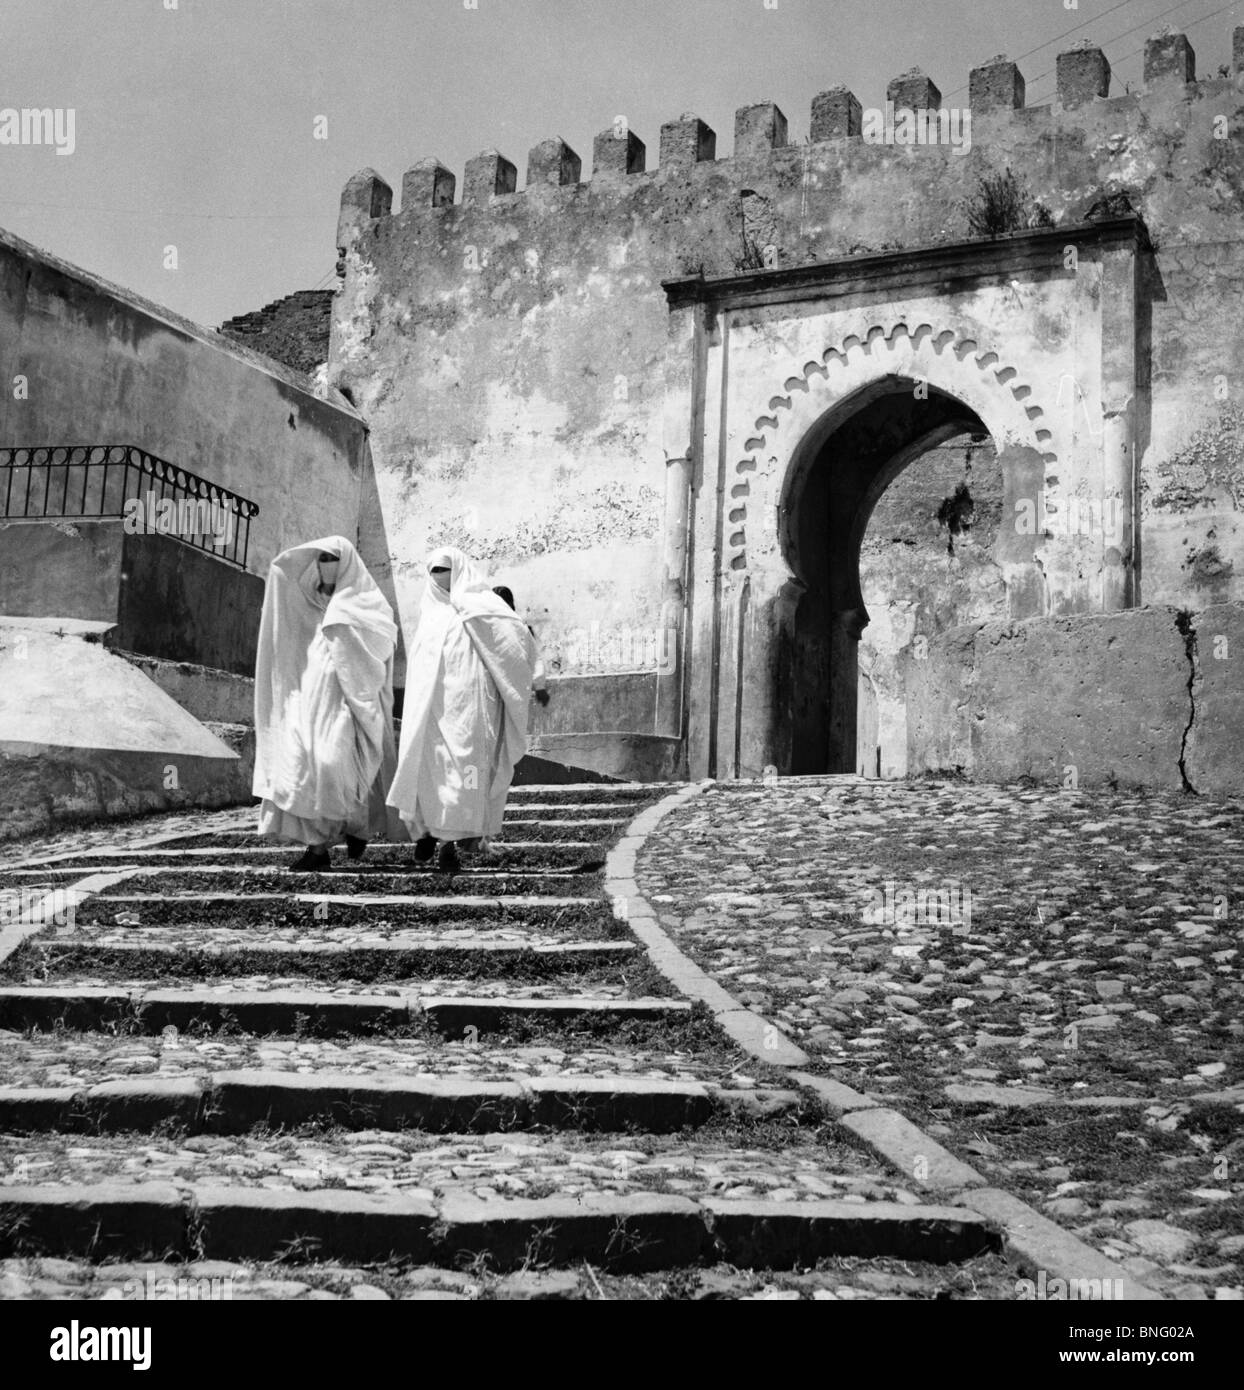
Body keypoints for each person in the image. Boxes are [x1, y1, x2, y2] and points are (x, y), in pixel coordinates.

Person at [252, 535, 400, 871]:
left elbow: (382, 645)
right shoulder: (307, 600)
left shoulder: (368, 604)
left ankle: (355, 827)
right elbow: (286, 616)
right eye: (321, 558)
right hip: (309, 701)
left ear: (347, 561)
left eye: (333, 558)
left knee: (334, 766)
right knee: (308, 770)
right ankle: (318, 850)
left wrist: (347, 632)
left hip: (348, 703)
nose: (326, 565)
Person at [387, 547, 536, 872]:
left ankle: (450, 844)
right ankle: (428, 833)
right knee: (430, 779)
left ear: (460, 569)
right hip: (429, 719)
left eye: (445, 568)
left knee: (461, 781)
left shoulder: (481, 607)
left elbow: (514, 639)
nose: (439, 576)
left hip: (467, 716)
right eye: (434, 570)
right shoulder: (429, 616)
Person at [492, 585, 550, 707]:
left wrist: (539, 686)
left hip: (516, 693)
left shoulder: (521, 629)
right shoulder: (485, 630)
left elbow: (534, 657)